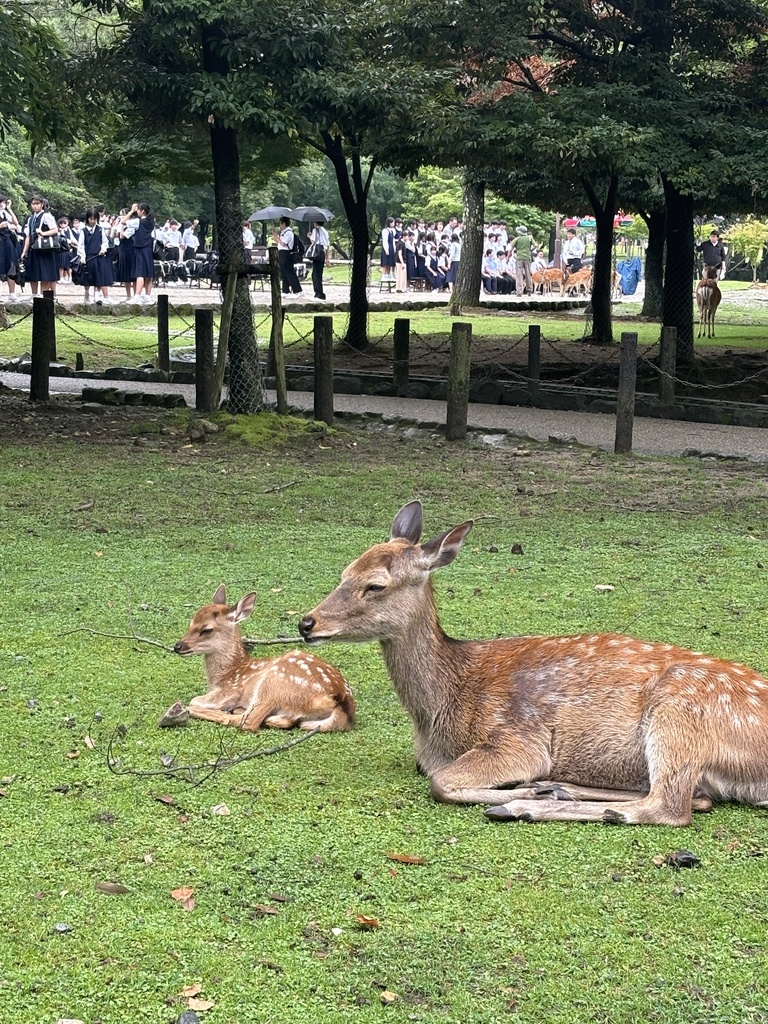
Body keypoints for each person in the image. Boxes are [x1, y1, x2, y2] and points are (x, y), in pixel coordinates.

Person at [20, 195, 59, 299]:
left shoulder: (46, 216)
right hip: (33, 249)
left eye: (37, 204)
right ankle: (34, 295)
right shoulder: (30, 218)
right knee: (33, 273)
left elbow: (55, 230)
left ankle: (42, 295)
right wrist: (24, 251)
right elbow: (28, 236)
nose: (35, 206)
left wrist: (43, 233)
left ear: (42, 205)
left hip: (44, 249)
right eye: (33, 204)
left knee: (44, 274)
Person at [77, 206, 114, 304]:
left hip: (98, 256)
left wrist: (103, 249)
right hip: (88, 257)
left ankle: (97, 296)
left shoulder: (100, 230)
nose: (92, 221)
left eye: (94, 219)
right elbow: (81, 245)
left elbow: (105, 242)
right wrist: (82, 257)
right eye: (91, 219)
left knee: (99, 277)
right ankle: (86, 294)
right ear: (87, 219)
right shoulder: (83, 231)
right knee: (87, 277)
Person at [124, 201, 156, 304]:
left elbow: (123, 222)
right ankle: (147, 295)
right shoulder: (151, 222)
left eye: (138, 209)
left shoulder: (139, 221)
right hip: (148, 249)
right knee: (148, 273)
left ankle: (137, 296)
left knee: (140, 273)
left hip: (140, 249)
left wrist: (131, 211)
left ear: (142, 211)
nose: (137, 211)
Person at [0, 195, 22, 303]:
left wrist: (9, 208)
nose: (2, 204)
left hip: (8, 242)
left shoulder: (4, 213)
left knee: (11, 266)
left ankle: (12, 293)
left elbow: (16, 223)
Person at [273, 216, 302, 296]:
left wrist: (277, 238)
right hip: (281, 252)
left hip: (286, 253)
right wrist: (275, 236)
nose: (280, 225)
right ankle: (285, 290)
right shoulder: (283, 232)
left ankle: (298, 290)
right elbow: (278, 243)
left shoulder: (289, 232)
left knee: (289, 272)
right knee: (284, 272)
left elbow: (283, 243)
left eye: (280, 223)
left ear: (284, 224)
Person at [509, 225, 538, 296]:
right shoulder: (529, 238)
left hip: (519, 258)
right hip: (527, 257)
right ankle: (529, 290)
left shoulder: (516, 239)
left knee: (519, 274)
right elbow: (536, 245)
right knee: (528, 274)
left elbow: (510, 249)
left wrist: (508, 257)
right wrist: (530, 250)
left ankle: (519, 291)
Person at [308, 219, 329, 300]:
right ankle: (319, 293)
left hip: (317, 252)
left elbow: (314, 242)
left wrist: (310, 237)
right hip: (322, 253)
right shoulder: (325, 231)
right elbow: (327, 244)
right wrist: (327, 258)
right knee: (319, 273)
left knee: (315, 274)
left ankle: (318, 293)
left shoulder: (315, 230)